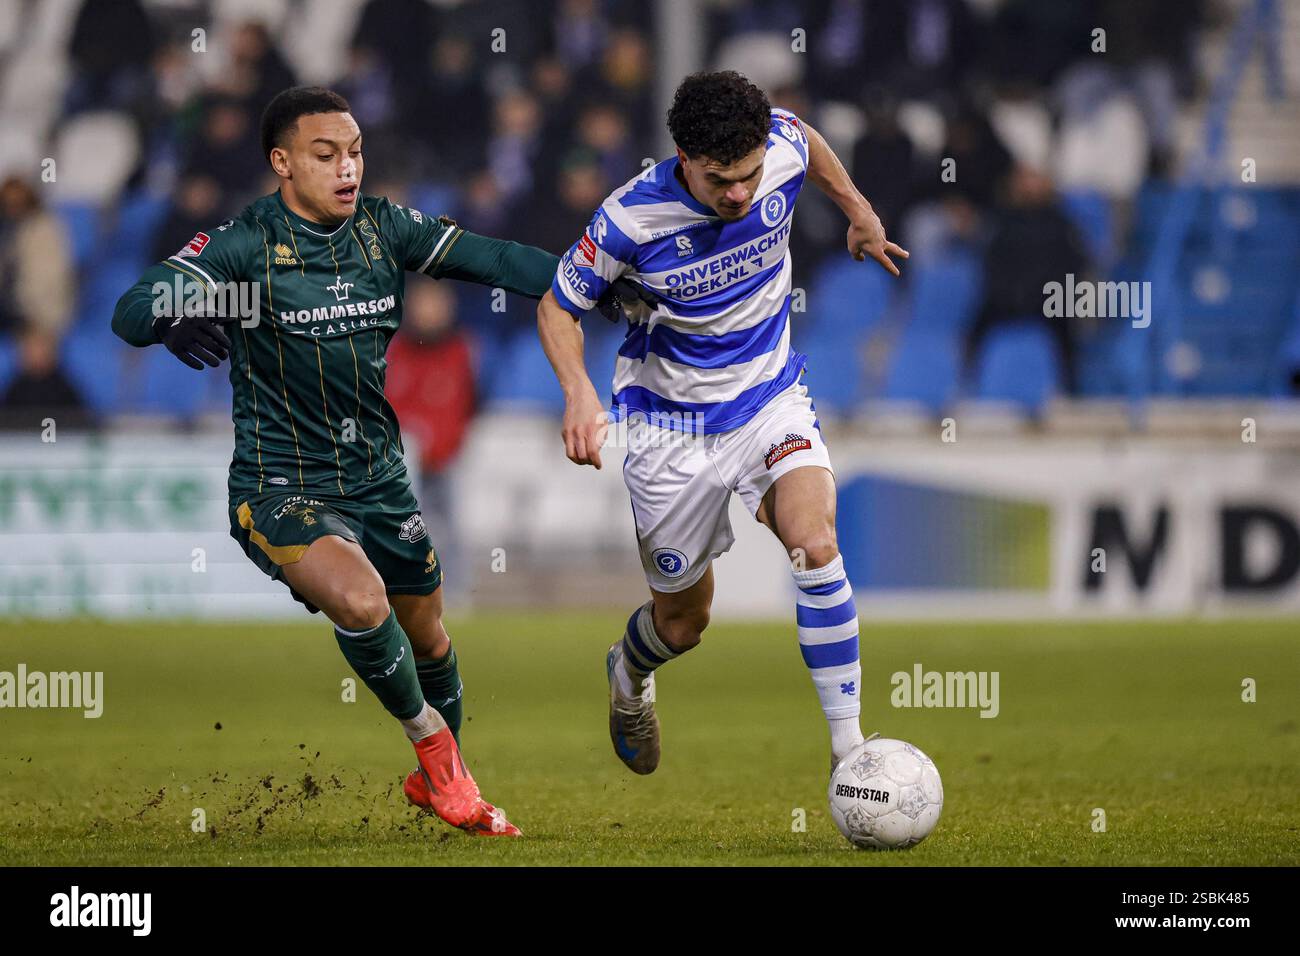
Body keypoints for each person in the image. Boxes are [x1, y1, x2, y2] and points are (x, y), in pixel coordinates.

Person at [112, 87, 622, 837]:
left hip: (380, 480)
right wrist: (171, 318)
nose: (347, 167)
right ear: (282, 163)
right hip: (280, 483)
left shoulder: (385, 229)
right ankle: (444, 765)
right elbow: (131, 307)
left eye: (354, 151)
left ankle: (437, 775)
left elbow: (500, 259)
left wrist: (603, 283)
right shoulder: (247, 243)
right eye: (326, 155)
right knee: (360, 601)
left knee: (431, 640)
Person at [535, 71, 908, 776]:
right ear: (683, 157)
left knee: (816, 543)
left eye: (748, 176)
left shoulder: (782, 144)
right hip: (669, 429)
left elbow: (810, 143)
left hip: (769, 398)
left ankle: (851, 753)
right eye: (719, 181)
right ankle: (628, 672)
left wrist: (859, 210)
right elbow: (557, 307)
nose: (739, 193)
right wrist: (579, 392)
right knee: (683, 623)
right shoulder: (628, 220)